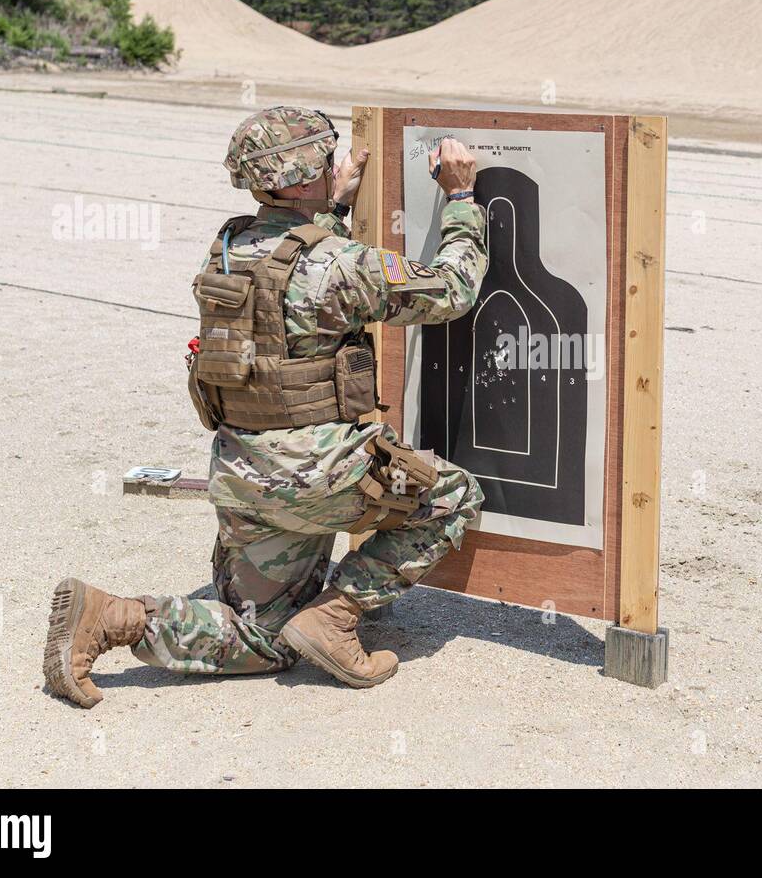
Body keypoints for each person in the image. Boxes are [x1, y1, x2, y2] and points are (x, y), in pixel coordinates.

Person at [43, 106, 488, 707]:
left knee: (267, 637)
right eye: (328, 159)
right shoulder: (344, 265)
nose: (337, 165)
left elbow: (294, 271)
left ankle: (113, 618)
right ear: (306, 176)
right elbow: (452, 289)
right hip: (318, 479)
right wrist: (460, 198)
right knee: (451, 495)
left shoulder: (225, 250)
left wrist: (329, 206)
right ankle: (341, 612)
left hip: (242, 476)